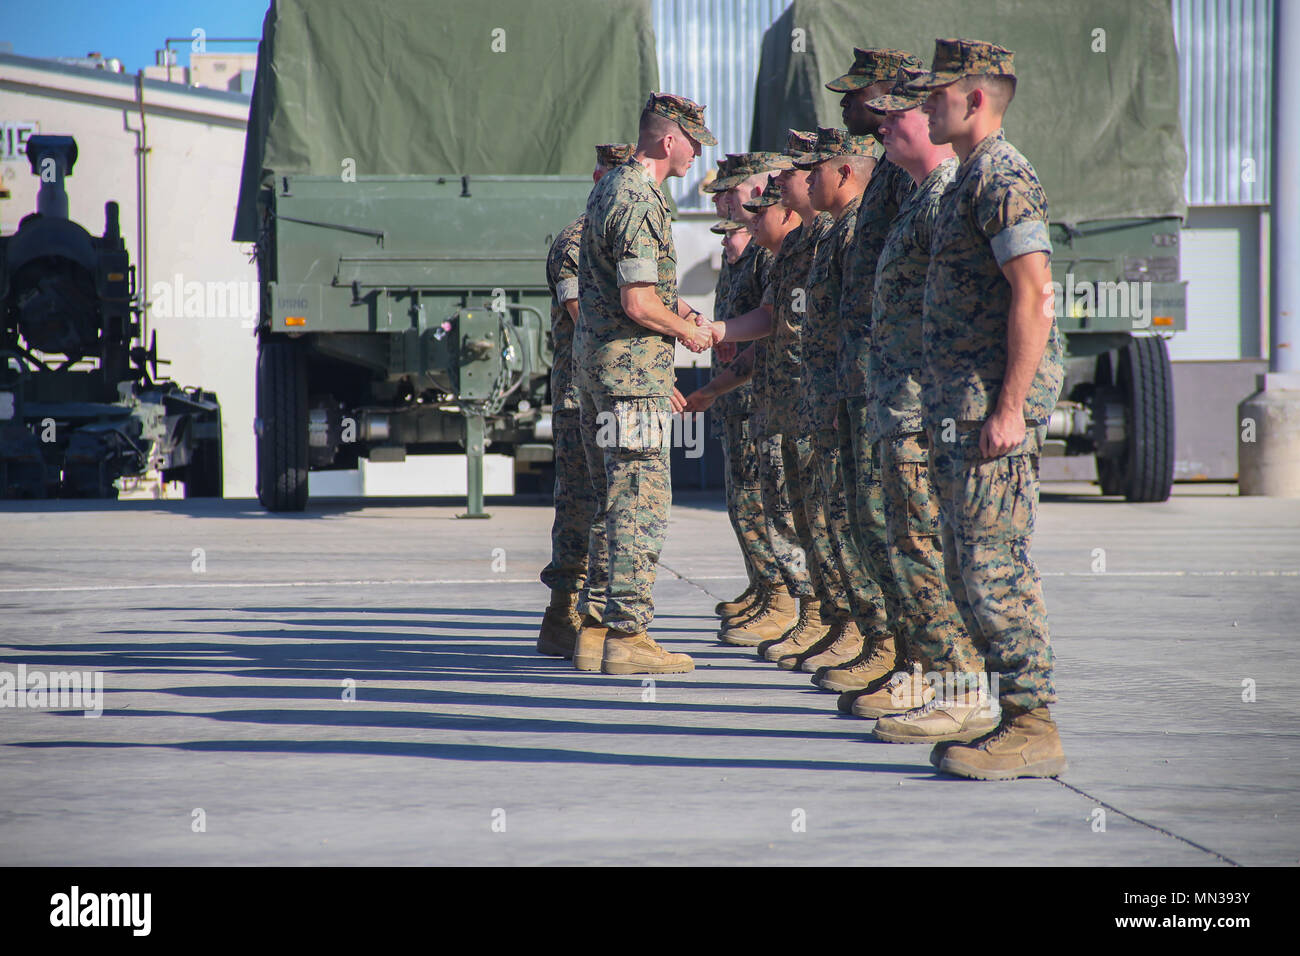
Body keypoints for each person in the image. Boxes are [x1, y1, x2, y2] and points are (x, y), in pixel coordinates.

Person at [907, 39, 1068, 779]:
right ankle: (1006, 718)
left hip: (985, 417)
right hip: (956, 412)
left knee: (994, 567)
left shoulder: (1002, 177)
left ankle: (1033, 726)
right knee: (969, 568)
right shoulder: (965, 180)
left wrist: (1009, 409)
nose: (926, 105)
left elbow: (1034, 293)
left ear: (976, 100)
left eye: (938, 94)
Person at [849, 71, 986, 740]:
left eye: (893, 115)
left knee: (929, 550)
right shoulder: (917, 196)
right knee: (908, 547)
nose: (882, 126)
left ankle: (963, 691)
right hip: (897, 406)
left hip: (921, 411)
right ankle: (938, 676)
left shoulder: (944, 197)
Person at [570, 92, 716, 675]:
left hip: (602, 369)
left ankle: (595, 626)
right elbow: (635, 301)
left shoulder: (610, 189)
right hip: (632, 377)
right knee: (639, 501)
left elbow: (624, 286)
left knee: (612, 499)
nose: (695, 159)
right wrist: (688, 330)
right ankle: (629, 637)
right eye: (692, 145)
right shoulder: (639, 198)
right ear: (667, 138)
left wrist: (673, 308)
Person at [818, 48, 928, 704]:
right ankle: (893, 651)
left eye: (859, 94)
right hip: (871, 381)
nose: (848, 104)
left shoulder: (922, 176)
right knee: (871, 523)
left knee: (908, 530)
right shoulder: (891, 173)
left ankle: (927, 670)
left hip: (909, 388)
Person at [783, 126, 888, 674]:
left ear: (844, 173)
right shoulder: (831, 235)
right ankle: (863, 636)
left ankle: (885, 644)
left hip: (860, 403)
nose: (800, 179)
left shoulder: (855, 234)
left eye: (813, 169)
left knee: (861, 524)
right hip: (830, 404)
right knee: (837, 523)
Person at [536, 143, 634, 660]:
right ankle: (563, 613)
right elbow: (581, 310)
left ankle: (592, 613)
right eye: (614, 178)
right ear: (598, 178)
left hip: (606, 389)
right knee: (581, 503)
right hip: (580, 396)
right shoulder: (576, 240)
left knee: (609, 503)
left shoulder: (615, 234)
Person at [692, 152, 796, 632]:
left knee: (770, 503)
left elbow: (766, 328)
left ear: (759, 192)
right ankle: (764, 587)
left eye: (729, 192)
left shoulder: (768, 251)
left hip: (763, 397)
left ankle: (784, 599)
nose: (721, 202)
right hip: (740, 401)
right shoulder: (739, 250)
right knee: (744, 501)